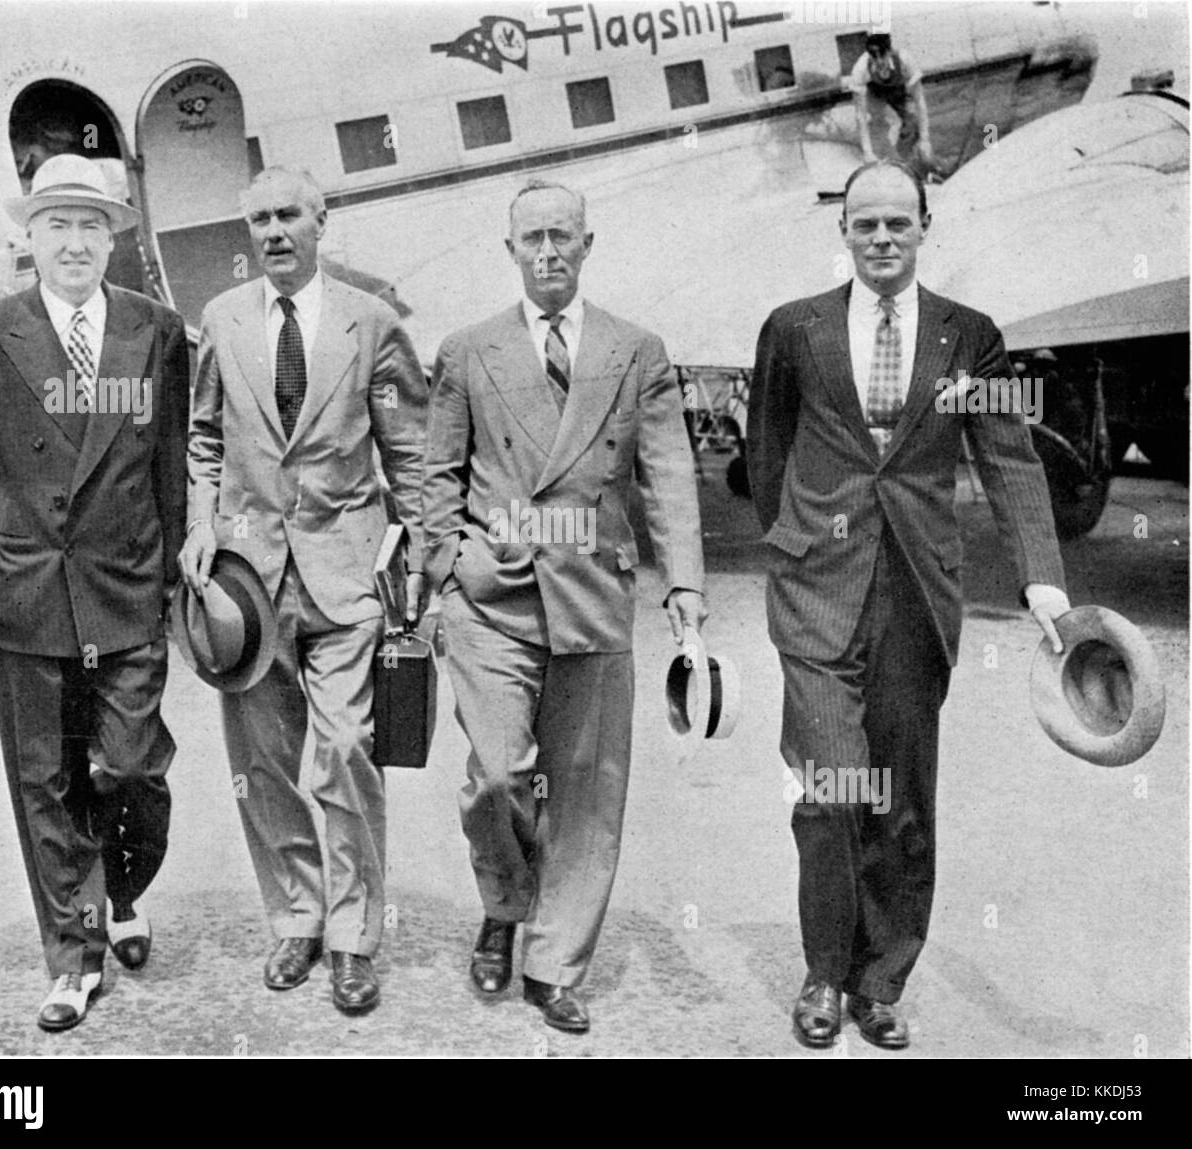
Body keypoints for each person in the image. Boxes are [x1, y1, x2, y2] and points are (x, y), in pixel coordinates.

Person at [746, 160, 1071, 1051]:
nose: (882, 239)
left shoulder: (973, 338)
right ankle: (822, 970)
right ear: (841, 231)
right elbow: (767, 452)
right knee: (829, 785)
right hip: (818, 590)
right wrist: (800, 539)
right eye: (865, 225)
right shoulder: (795, 329)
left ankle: (880, 978)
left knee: (901, 796)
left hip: (917, 593)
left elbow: (1008, 456)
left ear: (925, 225)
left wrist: (1042, 577)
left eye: (898, 223)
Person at [423, 178, 706, 1033]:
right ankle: (506, 903)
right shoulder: (467, 351)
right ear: (509, 251)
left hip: (591, 594)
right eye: (532, 238)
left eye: (563, 237)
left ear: (589, 246)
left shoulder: (637, 350)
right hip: (494, 595)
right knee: (498, 774)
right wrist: (445, 569)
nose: (548, 251)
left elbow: (669, 477)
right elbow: (436, 476)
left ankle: (554, 961)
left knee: (586, 791)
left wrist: (685, 590)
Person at [0, 153, 189, 1031]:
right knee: (45, 778)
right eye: (56, 224)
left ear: (113, 236)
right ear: (28, 236)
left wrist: (178, 572)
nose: (75, 241)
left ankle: (121, 886)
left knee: (130, 764)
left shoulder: (155, 331)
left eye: (91, 224)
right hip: (31, 589)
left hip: (129, 584)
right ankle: (73, 957)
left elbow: (172, 466)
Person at [179, 167, 427, 1014]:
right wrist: (201, 521)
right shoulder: (222, 319)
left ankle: (355, 937)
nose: (275, 232)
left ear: (323, 220)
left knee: (348, 750)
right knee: (262, 760)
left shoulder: (373, 322)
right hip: (245, 588)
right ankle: (296, 914)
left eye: (289, 215)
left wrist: (417, 560)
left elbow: (411, 454)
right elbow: (205, 435)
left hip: (346, 578)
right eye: (260, 220)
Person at [850, 31, 933, 175]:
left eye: (882, 54)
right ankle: (894, 164)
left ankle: (911, 163)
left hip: (899, 92)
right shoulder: (861, 68)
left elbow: (919, 101)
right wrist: (867, 152)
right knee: (889, 125)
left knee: (912, 124)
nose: (879, 61)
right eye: (873, 56)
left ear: (889, 51)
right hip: (875, 95)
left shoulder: (905, 59)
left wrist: (925, 139)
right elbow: (860, 115)